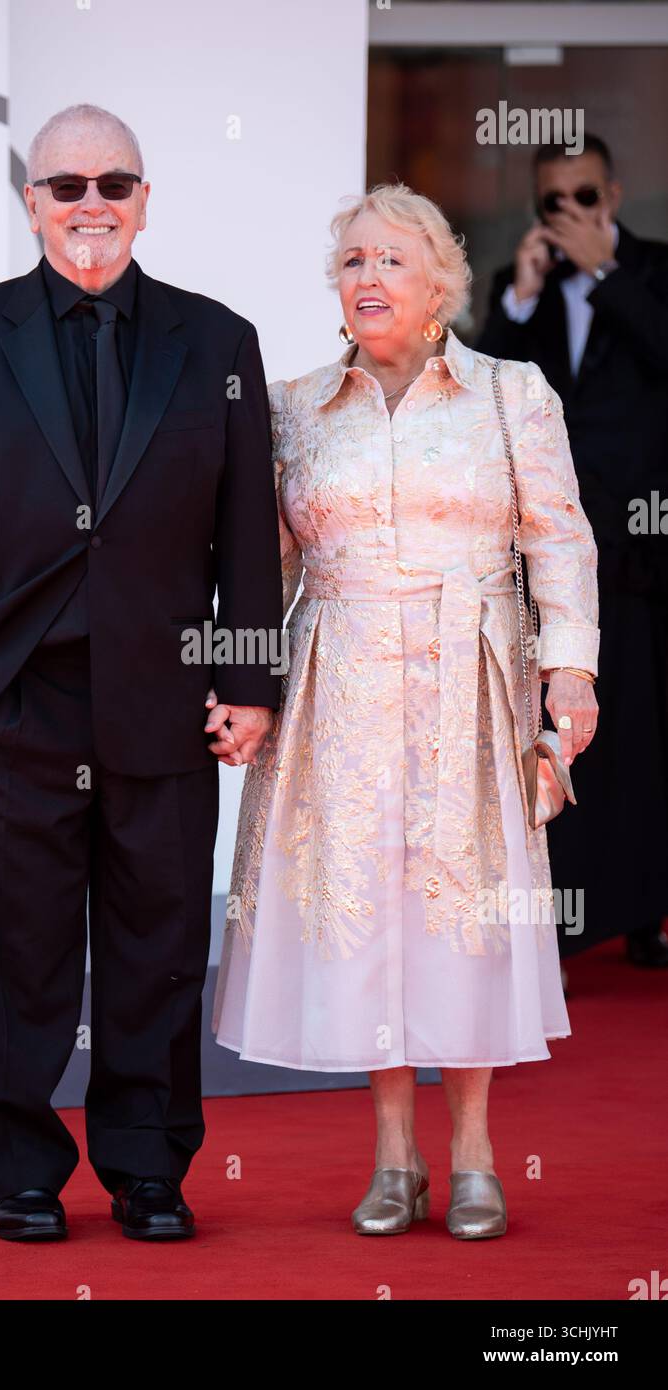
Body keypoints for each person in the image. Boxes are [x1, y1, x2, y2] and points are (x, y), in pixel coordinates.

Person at [0, 103, 282, 1242]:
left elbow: (245, 529)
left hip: (163, 693)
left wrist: (250, 678)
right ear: (30, 203)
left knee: (157, 940)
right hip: (6, 697)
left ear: (145, 200)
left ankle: (147, 1167)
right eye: (65, 185)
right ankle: (19, 1168)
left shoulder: (214, 341)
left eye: (113, 183)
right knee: (12, 945)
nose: (90, 204)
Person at [210, 183, 599, 1239]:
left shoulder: (509, 394)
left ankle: (471, 1152)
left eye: (389, 259)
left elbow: (557, 538)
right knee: (363, 919)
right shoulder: (290, 405)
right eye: (350, 263)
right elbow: (261, 563)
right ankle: (393, 1157)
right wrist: (238, 678)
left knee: (461, 915)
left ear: (438, 284)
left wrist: (568, 670)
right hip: (336, 683)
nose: (367, 278)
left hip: (469, 675)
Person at [478, 133, 668, 970]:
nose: (570, 216)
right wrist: (520, 300)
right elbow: (483, 395)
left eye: (584, 198)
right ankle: (563, 921)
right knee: (560, 729)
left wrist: (608, 275)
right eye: (554, 201)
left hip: (644, 546)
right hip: (550, 554)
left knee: (643, 736)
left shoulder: (655, 271)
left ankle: (648, 913)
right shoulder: (523, 289)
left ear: (614, 195)